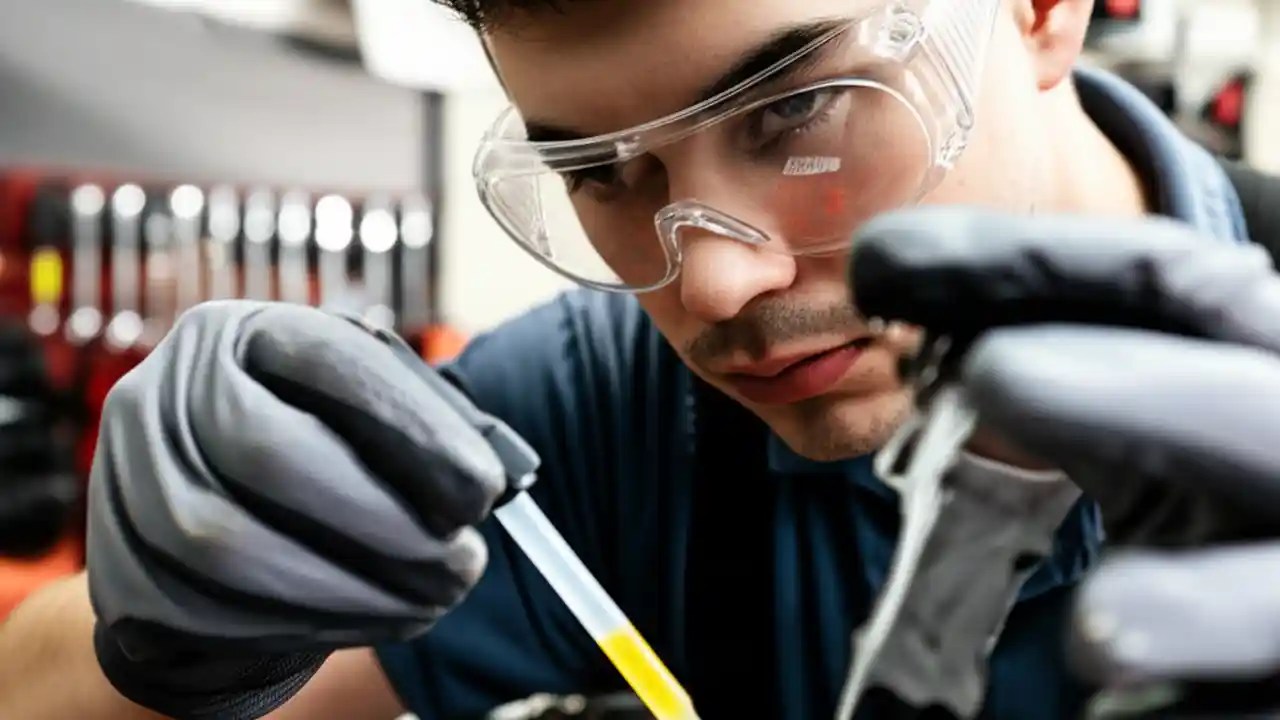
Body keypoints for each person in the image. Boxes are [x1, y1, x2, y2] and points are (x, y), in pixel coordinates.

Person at [0, 0, 1263, 718]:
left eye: (797, 112)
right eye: (600, 171)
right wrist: (168, 630)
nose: (712, 283)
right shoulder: (607, 410)